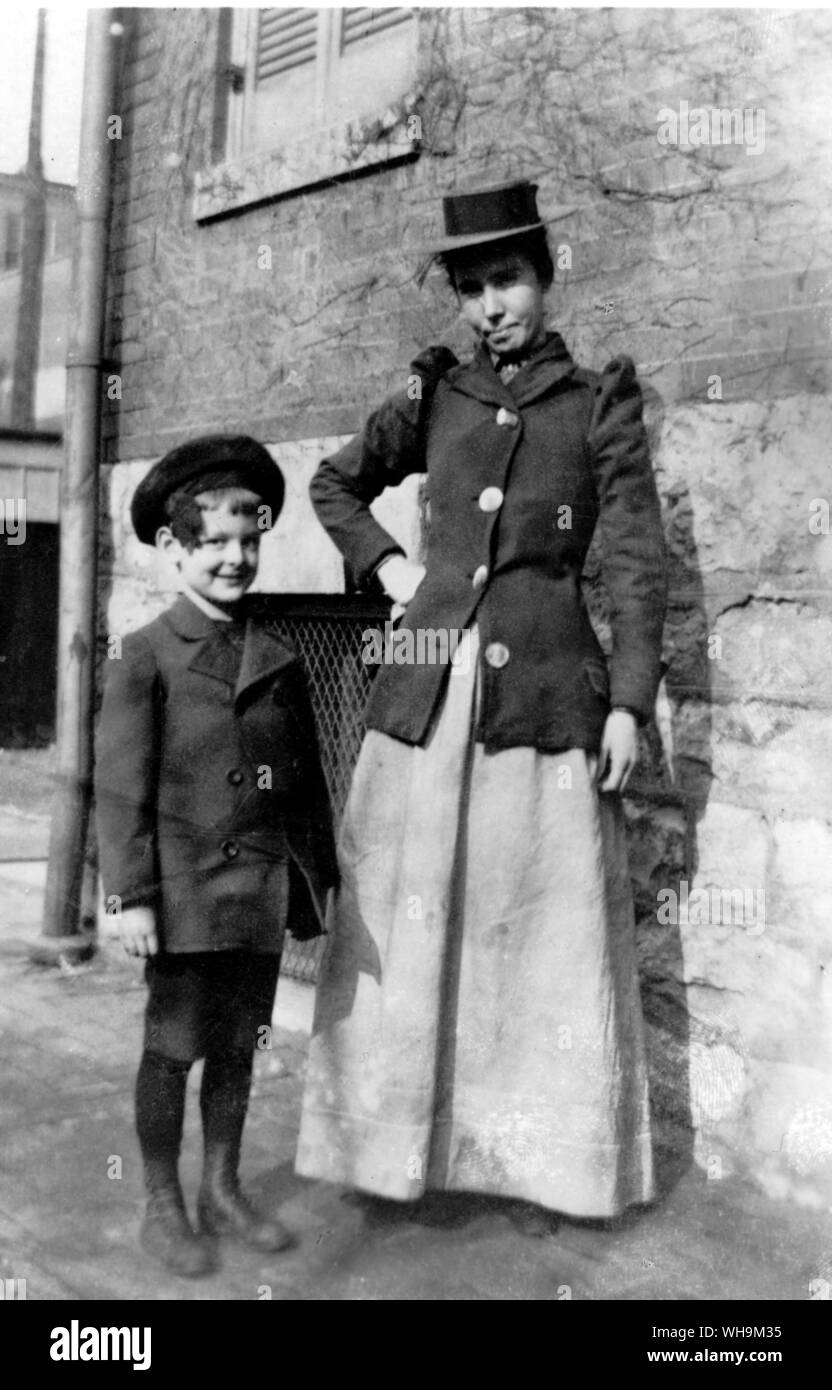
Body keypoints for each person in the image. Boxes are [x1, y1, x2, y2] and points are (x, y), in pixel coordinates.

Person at [295, 180, 668, 1225]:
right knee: (412, 916)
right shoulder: (433, 396)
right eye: (470, 287)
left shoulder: (598, 402)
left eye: (505, 279)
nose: (489, 304)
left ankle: (539, 1166)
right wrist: (392, 569)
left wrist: (629, 703)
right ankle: (388, 1151)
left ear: (544, 277)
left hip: (544, 695)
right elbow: (334, 484)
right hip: (423, 686)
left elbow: (637, 563)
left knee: (533, 925)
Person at [95, 434, 338, 1277]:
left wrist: (315, 885)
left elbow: (306, 782)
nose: (236, 559)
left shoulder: (279, 654)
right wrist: (130, 897)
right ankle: (162, 1202)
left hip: (257, 895)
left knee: (241, 1047)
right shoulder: (145, 655)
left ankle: (223, 1188)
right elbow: (121, 788)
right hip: (186, 893)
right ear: (173, 549)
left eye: (249, 540)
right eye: (215, 543)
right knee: (174, 1048)